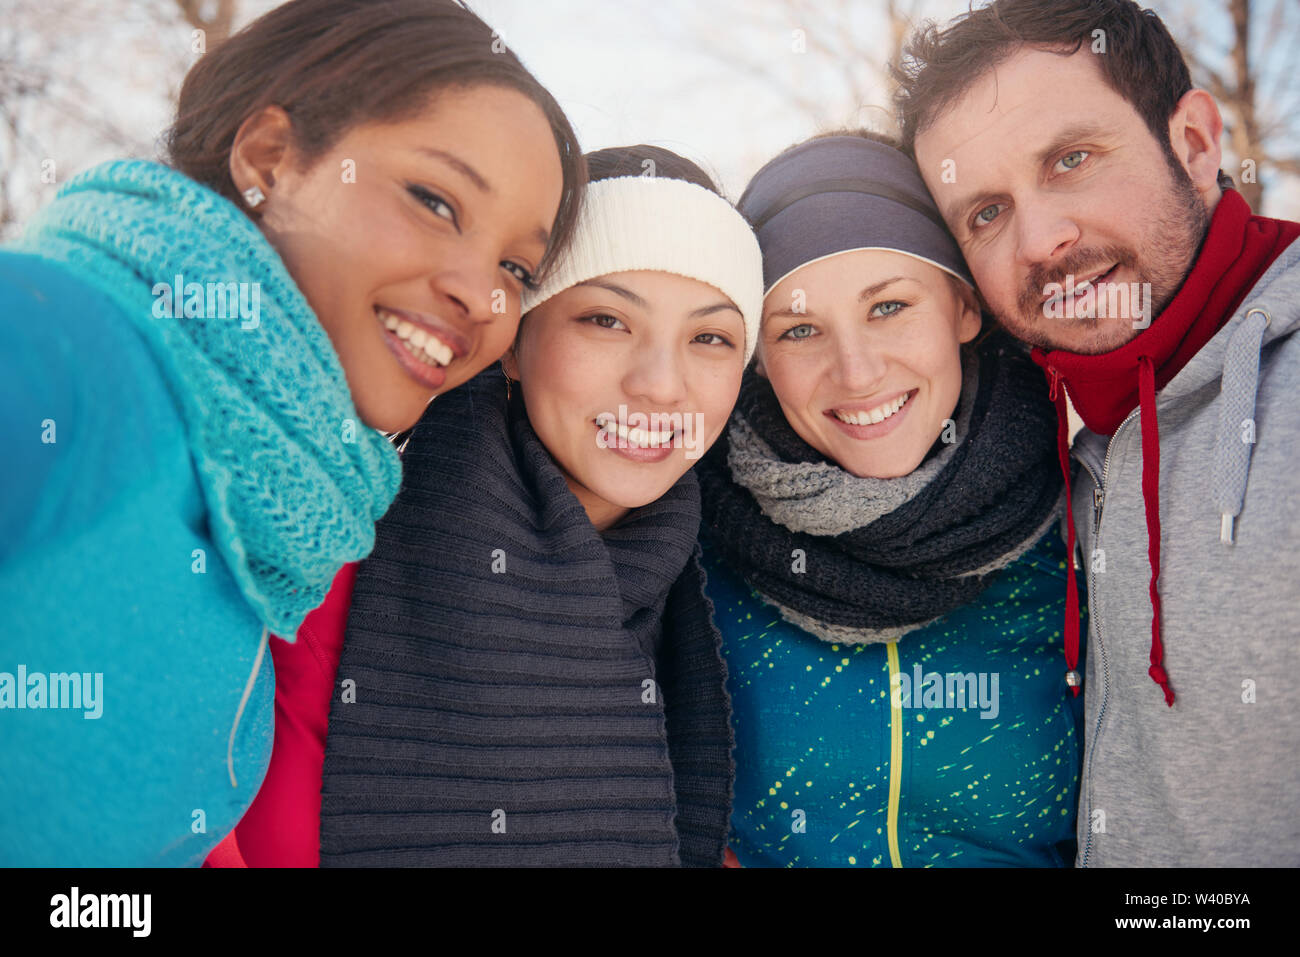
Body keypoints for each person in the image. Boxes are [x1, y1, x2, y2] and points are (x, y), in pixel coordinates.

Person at [0, 0, 582, 866]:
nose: (481, 294)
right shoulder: (76, 344)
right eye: (434, 200)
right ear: (268, 158)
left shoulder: (277, 504)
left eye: (515, 267)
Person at [227, 145, 763, 867]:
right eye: (605, 320)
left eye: (710, 337)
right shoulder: (329, 548)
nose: (662, 385)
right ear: (514, 343)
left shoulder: (720, 604)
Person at [898, 0, 1300, 866]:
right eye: (986, 213)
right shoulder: (1048, 429)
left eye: (1072, 159)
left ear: (1193, 144)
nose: (1043, 240)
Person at [698, 131, 1083, 867]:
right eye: (801, 328)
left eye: (889, 307)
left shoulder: (1081, 520)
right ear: (760, 357)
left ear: (963, 306)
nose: (857, 370)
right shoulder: (694, 536)